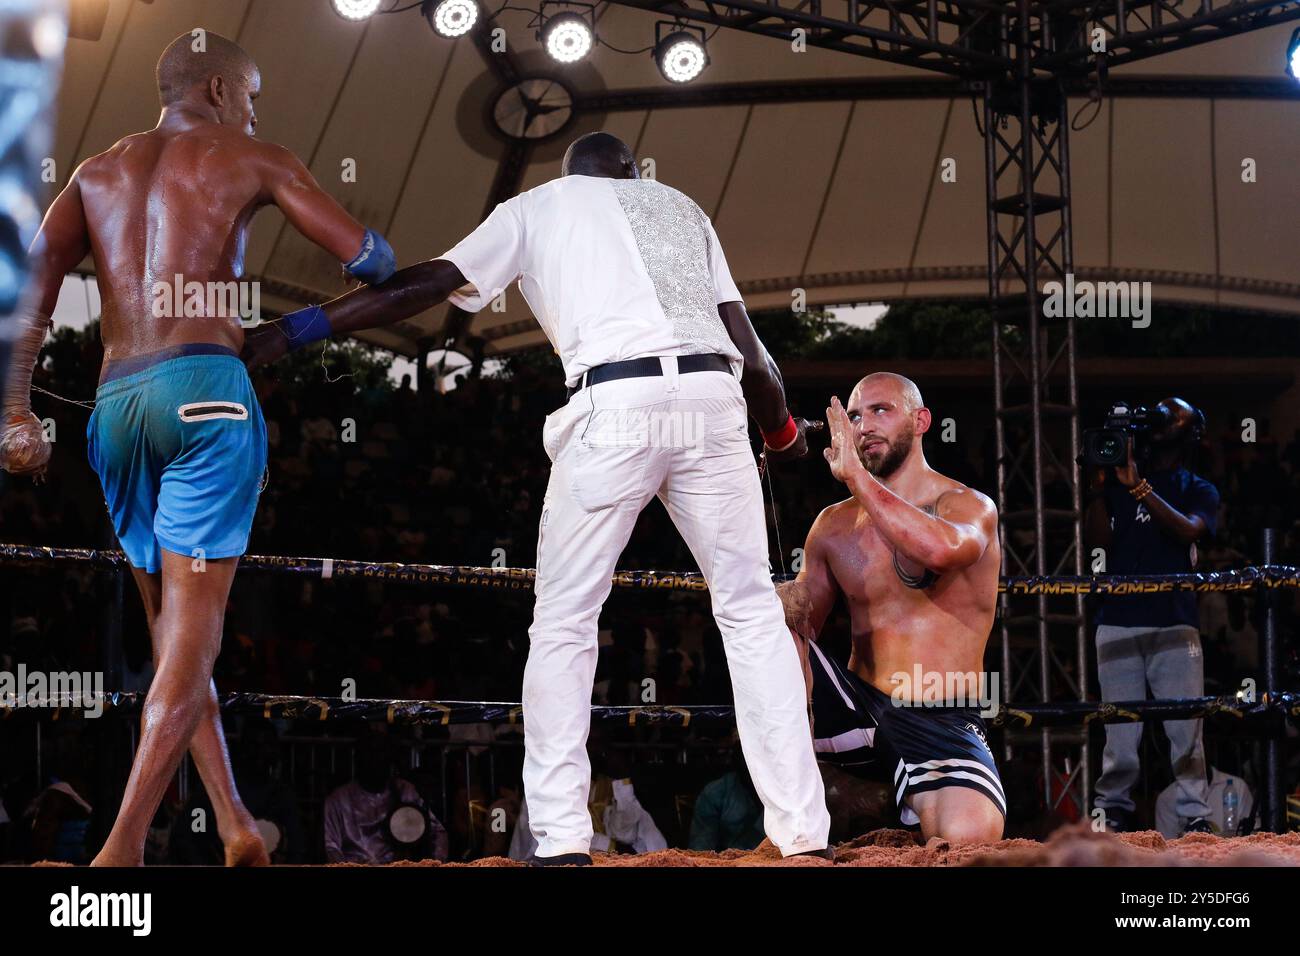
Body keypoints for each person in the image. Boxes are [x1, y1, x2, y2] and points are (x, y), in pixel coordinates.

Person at [244, 131, 833, 864]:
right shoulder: (682, 208)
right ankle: (803, 835)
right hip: (714, 396)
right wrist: (780, 436)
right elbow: (757, 359)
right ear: (628, 171)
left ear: (572, 172)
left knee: (564, 618)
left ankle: (559, 841)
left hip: (617, 399)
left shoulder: (538, 205)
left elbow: (428, 283)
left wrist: (297, 328)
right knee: (749, 613)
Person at [0, 31, 396, 865]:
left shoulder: (94, 171)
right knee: (196, 635)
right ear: (218, 89)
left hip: (116, 407)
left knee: (174, 636)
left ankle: (234, 823)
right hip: (206, 391)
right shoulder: (253, 154)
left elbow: (25, 294)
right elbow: (365, 256)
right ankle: (124, 845)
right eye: (250, 92)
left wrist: (14, 409)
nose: (256, 108)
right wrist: (339, 291)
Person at [780, 373, 1006, 843]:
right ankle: (805, 788)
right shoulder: (833, 525)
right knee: (766, 628)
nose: (864, 426)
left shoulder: (967, 505)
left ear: (921, 421)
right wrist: (774, 601)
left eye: (882, 410)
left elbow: (943, 551)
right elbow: (801, 634)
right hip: (855, 712)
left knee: (969, 840)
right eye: (856, 416)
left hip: (939, 715)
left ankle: (881, 798)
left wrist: (858, 480)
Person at [1084, 397, 1219, 834]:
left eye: (1171, 414)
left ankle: (1194, 813)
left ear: (1188, 430)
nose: (1161, 419)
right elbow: (1099, 542)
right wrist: (1101, 488)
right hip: (1117, 619)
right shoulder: (1119, 483)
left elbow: (1190, 530)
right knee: (1119, 732)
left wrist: (1139, 486)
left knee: (1185, 727)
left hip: (1174, 620)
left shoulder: (1197, 487)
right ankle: (1113, 811)